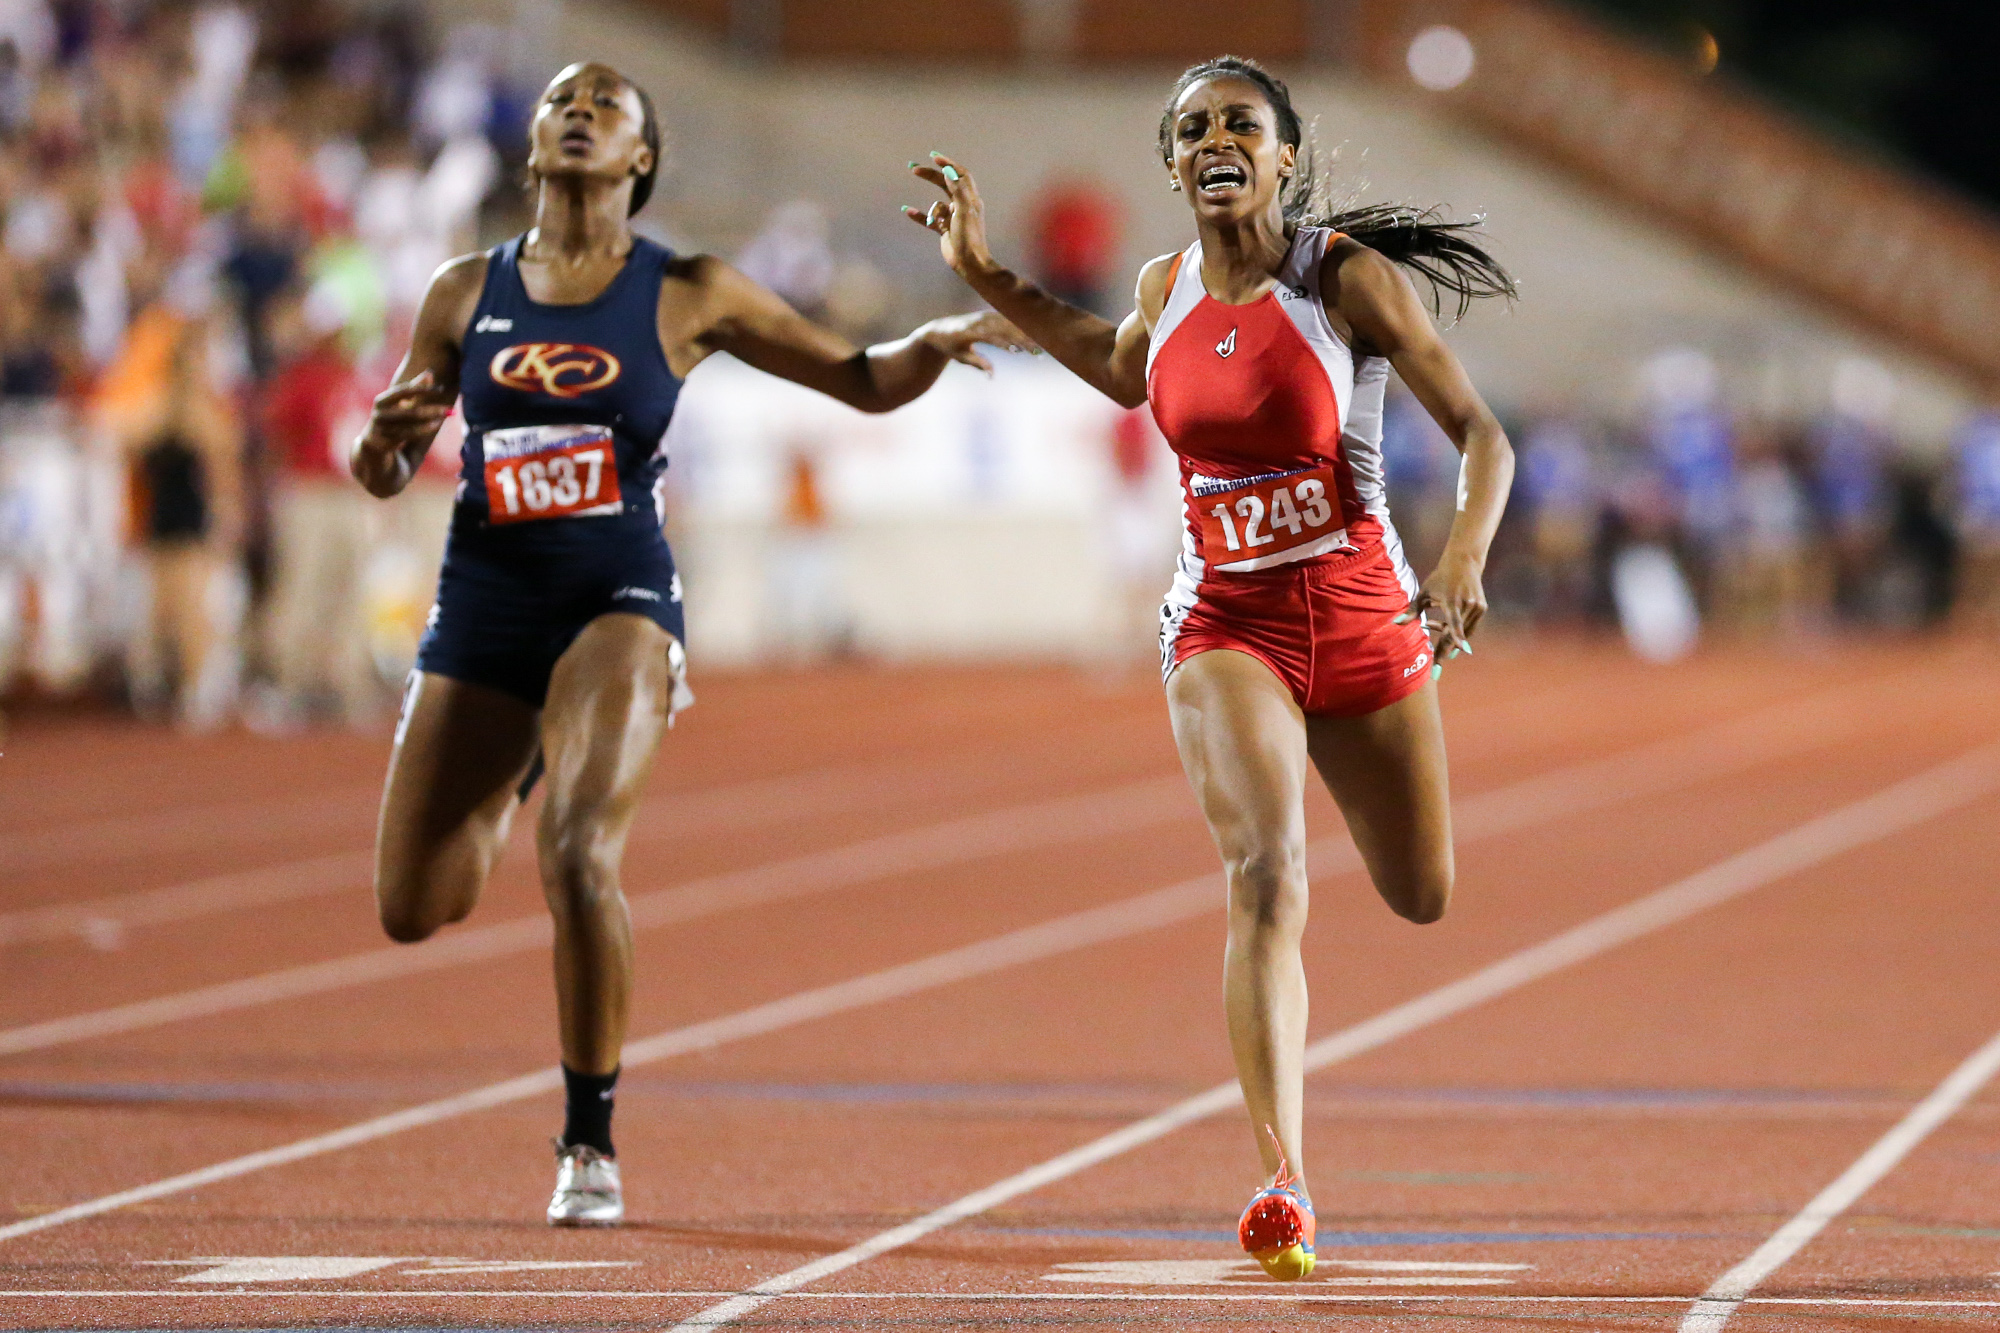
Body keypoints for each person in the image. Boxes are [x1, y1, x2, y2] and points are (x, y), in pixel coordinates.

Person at [350, 61, 1029, 1228]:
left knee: (578, 854)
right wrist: (384, 439)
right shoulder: (464, 290)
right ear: (533, 149)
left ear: (640, 159)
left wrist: (925, 340)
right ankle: (517, 752)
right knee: (414, 903)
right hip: (484, 601)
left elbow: (855, 380)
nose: (577, 114)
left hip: (614, 591)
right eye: (562, 102)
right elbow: (383, 467)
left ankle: (587, 1138)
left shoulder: (690, 290)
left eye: (604, 106)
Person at [905, 54, 1514, 1281]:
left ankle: (1284, 1140)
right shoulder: (1162, 284)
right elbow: (1119, 365)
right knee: (1264, 870)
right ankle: (1280, 1171)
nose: (1216, 139)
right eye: (1192, 128)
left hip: (1362, 618)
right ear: (1172, 163)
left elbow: (1483, 438)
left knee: (1421, 891)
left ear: (1284, 154)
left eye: (1241, 122)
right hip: (1222, 622)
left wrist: (1456, 564)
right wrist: (982, 276)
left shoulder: (1344, 280)